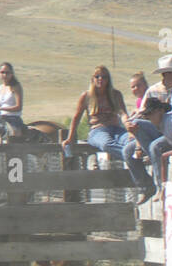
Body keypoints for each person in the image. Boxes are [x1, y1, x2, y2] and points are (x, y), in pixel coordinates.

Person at [62, 65, 155, 198]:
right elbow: (76, 117)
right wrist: (70, 138)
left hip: (116, 128)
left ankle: (139, 165)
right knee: (106, 144)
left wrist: (128, 127)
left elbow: (123, 112)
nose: (100, 79)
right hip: (97, 130)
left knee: (131, 141)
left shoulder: (115, 94)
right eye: (97, 76)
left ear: (108, 79)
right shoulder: (87, 96)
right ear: (92, 79)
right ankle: (136, 162)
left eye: (104, 77)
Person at [0, 63, 25, 138]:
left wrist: (1, 108)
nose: (4, 75)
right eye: (2, 72)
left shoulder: (16, 87)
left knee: (14, 134)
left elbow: (19, 107)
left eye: (7, 72)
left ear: (12, 74)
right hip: (1, 118)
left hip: (13, 118)